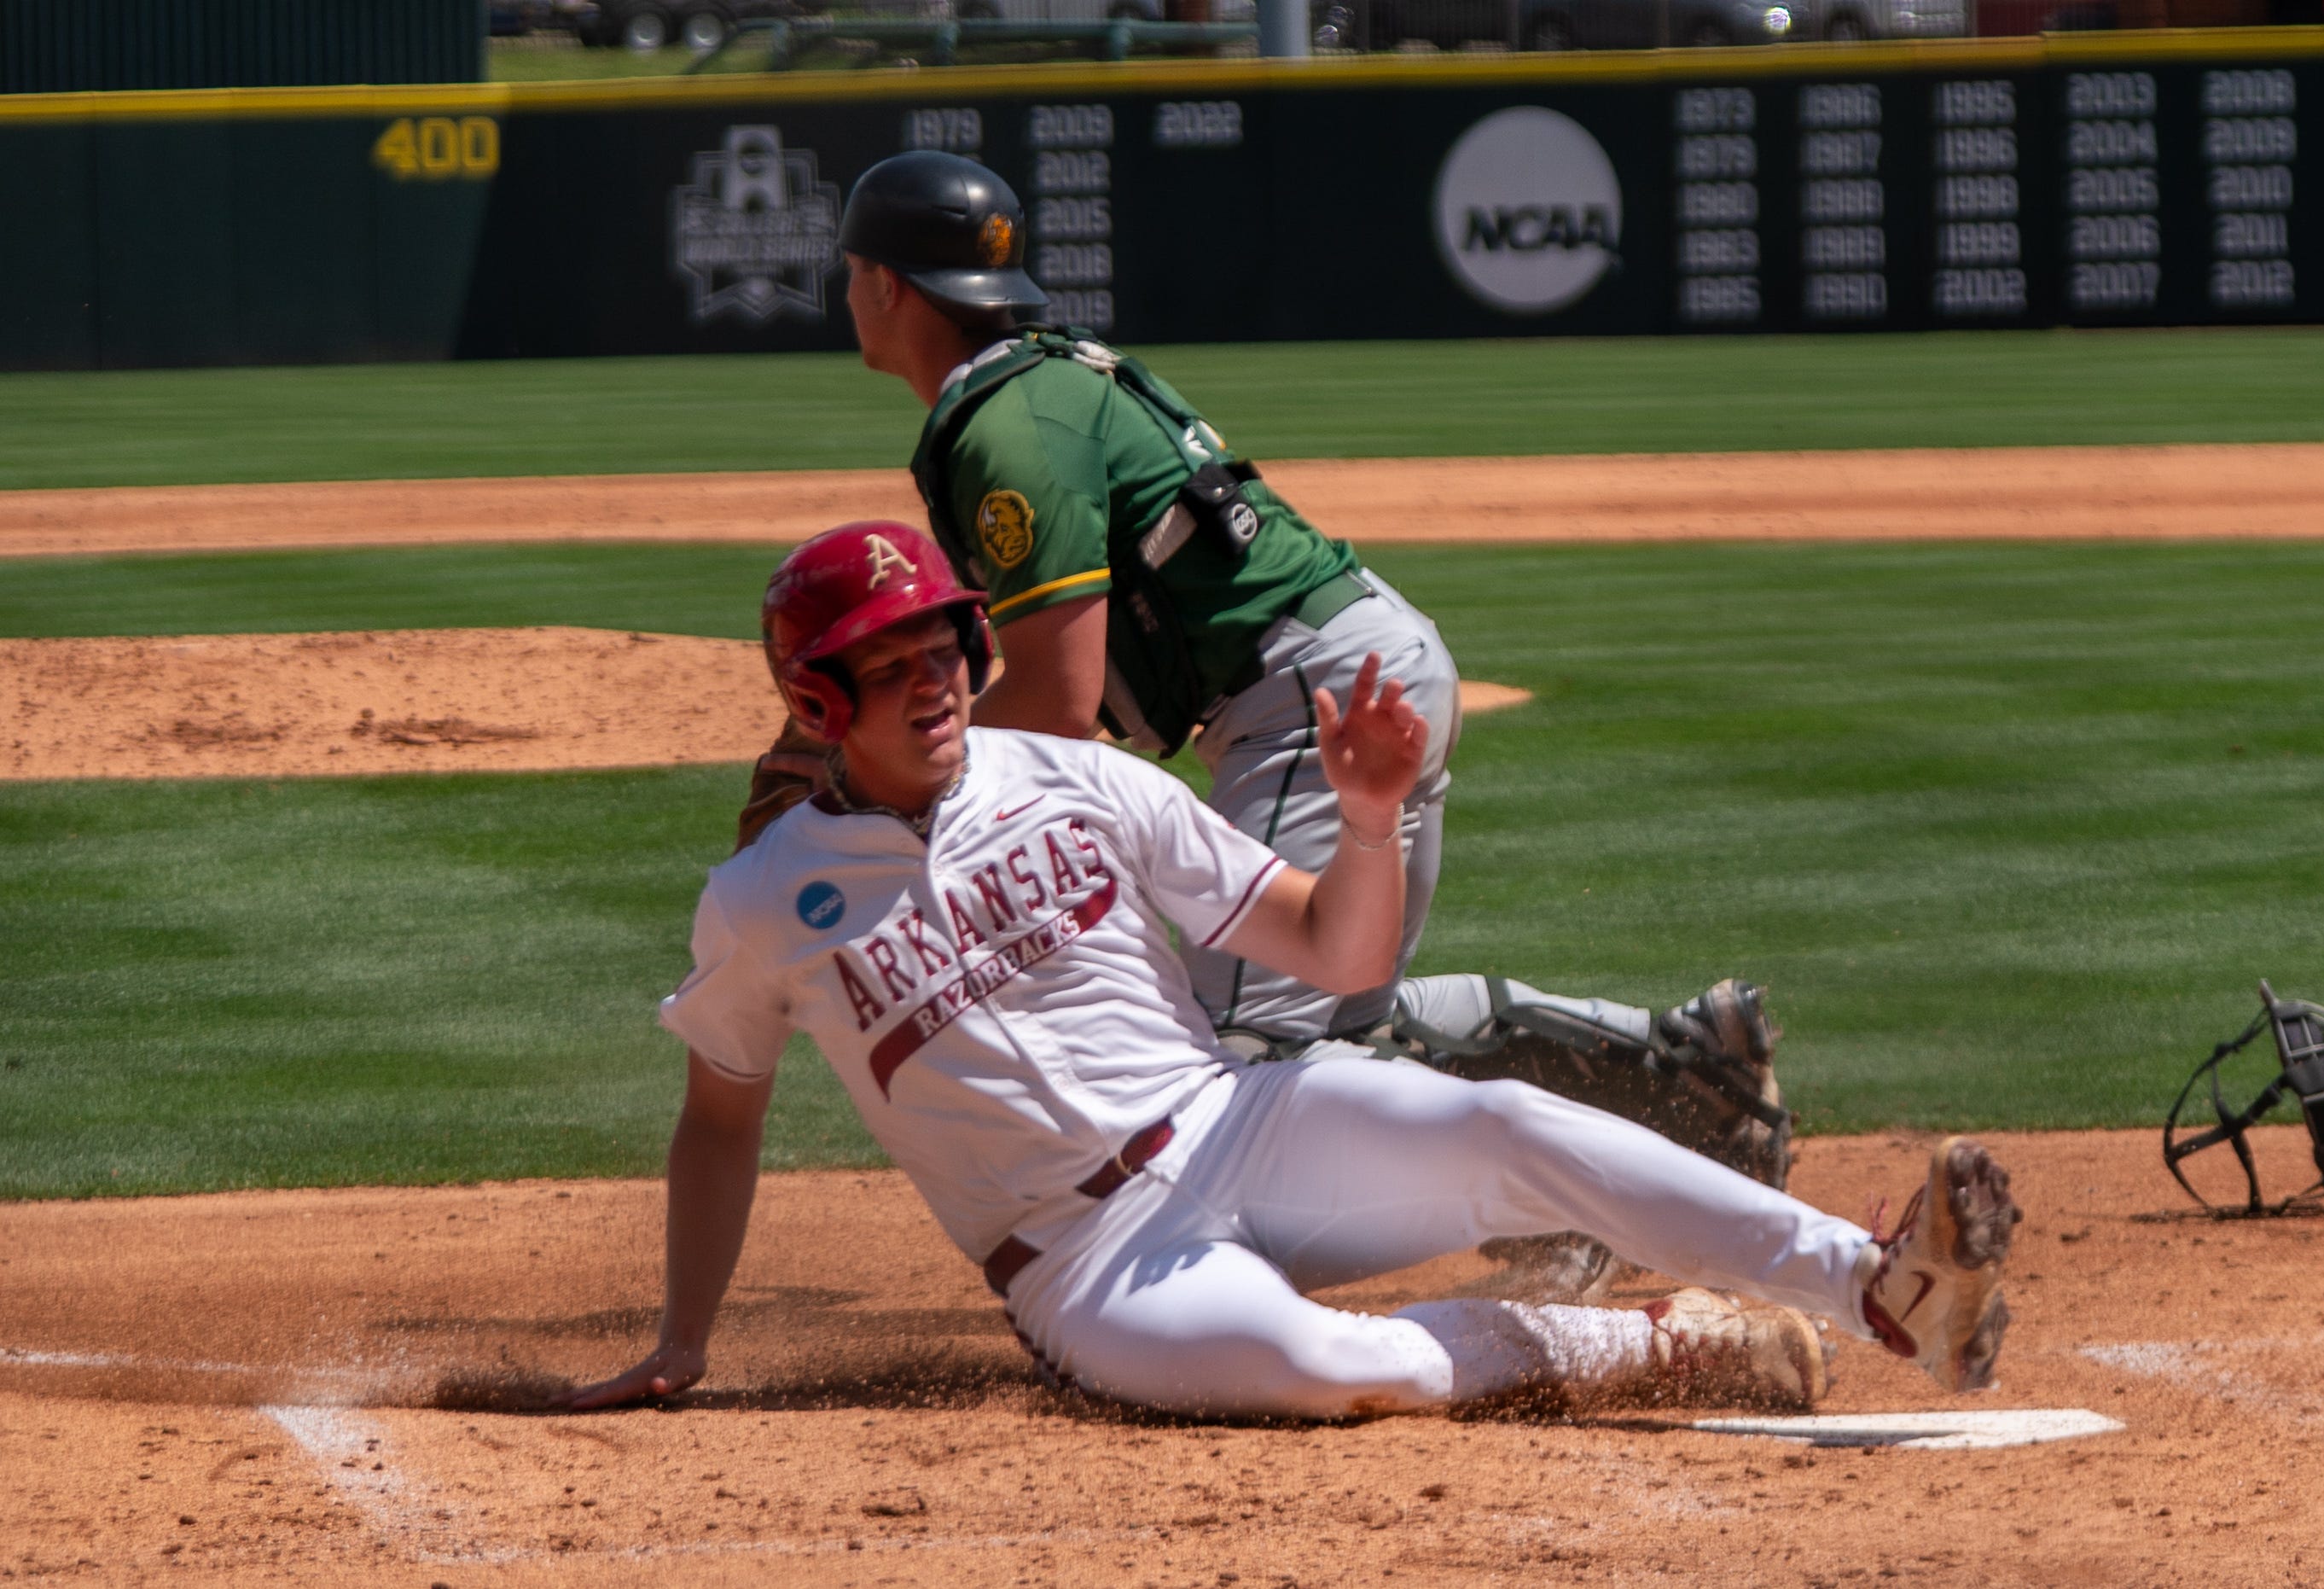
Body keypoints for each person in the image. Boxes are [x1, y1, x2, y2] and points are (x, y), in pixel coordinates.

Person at [565, 521, 2019, 1421]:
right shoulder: (764, 902)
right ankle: (1654, 1348)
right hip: (1084, 1267)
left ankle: (1879, 1289)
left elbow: (1340, 949)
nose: (938, 675)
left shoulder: (1073, 780)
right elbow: (720, 1117)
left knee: (1503, 1121)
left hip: (1236, 1125)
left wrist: (1371, 818)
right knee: (1339, 1369)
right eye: (893, 663)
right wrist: (682, 1338)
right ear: (822, 699)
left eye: (945, 639)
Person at [735, 151, 1787, 1204]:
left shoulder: (1009, 431)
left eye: (853, 268)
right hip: (1346, 667)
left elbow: (1057, 700)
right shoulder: (1040, 382)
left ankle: (1652, 1120)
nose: (848, 291)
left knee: (1237, 1068)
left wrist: (853, 781)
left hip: (1307, 701)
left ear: (887, 286)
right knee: (1345, 1018)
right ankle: (1682, 1076)